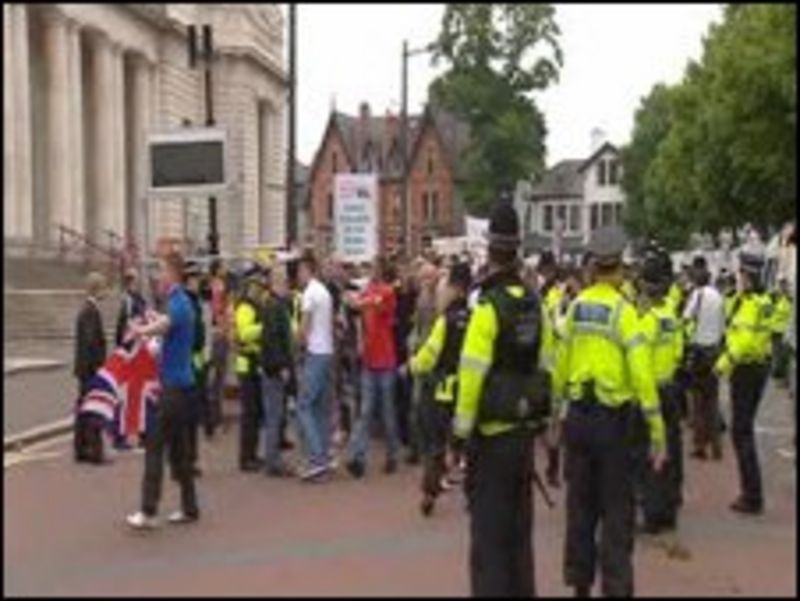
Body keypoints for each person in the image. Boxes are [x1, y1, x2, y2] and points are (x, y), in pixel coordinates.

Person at [553, 226, 666, 597]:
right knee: (616, 513)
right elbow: (643, 375)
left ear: (593, 266)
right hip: (613, 425)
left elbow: (560, 364)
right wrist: (658, 431)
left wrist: (555, 417)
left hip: (578, 421)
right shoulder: (624, 312)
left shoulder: (576, 307)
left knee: (580, 509)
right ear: (619, 268)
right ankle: (616, 588)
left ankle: (580, 585)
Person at [453, 194, 552, 597]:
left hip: (491, 439)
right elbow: (548, 366)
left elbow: (471, 376)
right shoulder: (536, 305)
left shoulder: (487, 309)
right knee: (519, 539)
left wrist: (458, 436)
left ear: (490, 250)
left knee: (489, 543)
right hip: (524, 436)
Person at [126, 251, 199, 529]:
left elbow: (164, 326)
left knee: (154, 446)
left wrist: (141, 331)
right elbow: (167, 326)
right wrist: (150, 324)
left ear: (173, 274)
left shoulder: (179, 303)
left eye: (161, 271)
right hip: (182, 387)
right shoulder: (178, 302)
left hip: (173, 388)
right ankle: (190, 507)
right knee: (180, 452)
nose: (158, 276)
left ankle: (148, 510)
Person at [409, 262, 471, 516]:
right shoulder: (477, 317)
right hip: (466, 390)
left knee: (434, 445)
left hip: (441, 390)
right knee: (464, 445)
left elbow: (429, 355)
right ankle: (472, 493)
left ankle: (429, 492)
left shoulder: (445, 321)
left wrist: (413, 364)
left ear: (455, 289)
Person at [714, 252, 772, 514]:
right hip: (754, 368)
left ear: (749, 276)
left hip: (748, 369)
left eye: (741, 275)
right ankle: (751, 492)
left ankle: (752, 495)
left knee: (741, 431)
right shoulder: (752, 301)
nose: (739, 279)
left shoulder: (752, 305)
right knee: (742, 430)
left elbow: (744, 341)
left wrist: (722, 364)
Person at [636, 247, 684, 534]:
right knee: (672, 450)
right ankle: (669, 508)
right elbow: (677, 351)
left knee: (651, 451)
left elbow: (639, 359)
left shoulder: (648, 320)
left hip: (651, 391)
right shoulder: (669, 314)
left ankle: (652, 514)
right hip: (670, 386)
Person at [345, 256, 402, 478]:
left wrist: (356, 299)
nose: (371, 272)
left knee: (387, 412)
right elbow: (355, 303)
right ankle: (358, 458)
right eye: (370, 268)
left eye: (374, 268)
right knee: (366, 411)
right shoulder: (369, 290)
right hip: (369, 360)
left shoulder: (387, 292)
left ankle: (392, 455)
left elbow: (364, 303)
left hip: (386, 361)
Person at [295, 253, 335, 481]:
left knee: (304, 406)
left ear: (306, 269)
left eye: (300, 271)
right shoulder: (325, 292)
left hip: (315, 353)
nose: (298, 276)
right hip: (327, 351)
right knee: (320, 407)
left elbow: (305, 327)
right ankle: (324, 454)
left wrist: (297, 343)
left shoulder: (309, 293)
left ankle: (317, 458)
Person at [683, 256, 726, 460]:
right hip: (715, 351)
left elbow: (686, 318)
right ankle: (716, 446)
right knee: (713, 399)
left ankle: (700, 445)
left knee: (698, 402)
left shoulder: (697, 295)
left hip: (700, 352)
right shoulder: (718, 296)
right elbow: (723, 324)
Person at [259, 267, 294, 477]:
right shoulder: (274, 307)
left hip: (271, 366)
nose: (286, 286)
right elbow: (273, 339)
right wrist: (281, 365)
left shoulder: (274, 304)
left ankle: (272, 457)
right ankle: (273, 461)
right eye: (283, 282)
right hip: (273, 368)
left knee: (275, 412)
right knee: (274, 414)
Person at [73, 272, 109, 464]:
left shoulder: (89, 310)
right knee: (94, 410)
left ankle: (82, 449)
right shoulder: (90, 312)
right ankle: (95, 452)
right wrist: (97, 370)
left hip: (85, 370)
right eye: (104, 287)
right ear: (97, 288)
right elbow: (90, 343)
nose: (107, 291)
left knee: (84, 410)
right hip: (90, 371)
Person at [234, 265, 265, 472]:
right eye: (255, 284)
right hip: (246, 364)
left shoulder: (256, 304)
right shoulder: (245, 306)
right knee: (249, 413)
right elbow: (244, 333)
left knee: (255, 413)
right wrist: (264, 327)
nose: (259, 288)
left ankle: (252, 454)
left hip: (255, 363)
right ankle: (246, 458)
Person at [183, 261, 207, 476]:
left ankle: (190, 458)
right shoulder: (186, 303)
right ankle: (186, 460)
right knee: (187, 415)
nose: (199, 283)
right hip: (187, 362)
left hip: (196, 361)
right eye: (196, 279)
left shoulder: (194, 302)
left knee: (192, 414)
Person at [207, 260, 230, 438]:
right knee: (217, 381)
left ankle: (215, 418)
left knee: (218, 381)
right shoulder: (218, 286)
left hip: (220, 334)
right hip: (219, 336)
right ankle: (215, 419)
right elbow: (218, 311)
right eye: (222, 266)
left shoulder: (216, 287)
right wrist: (224, 327)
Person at [115, 268, 147, 348]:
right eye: (137, 279)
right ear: (132, 282)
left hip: (140, 338)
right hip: (131, 341)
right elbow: (124, 322)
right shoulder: (127, 299)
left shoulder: (139, 297)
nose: (139, 282)